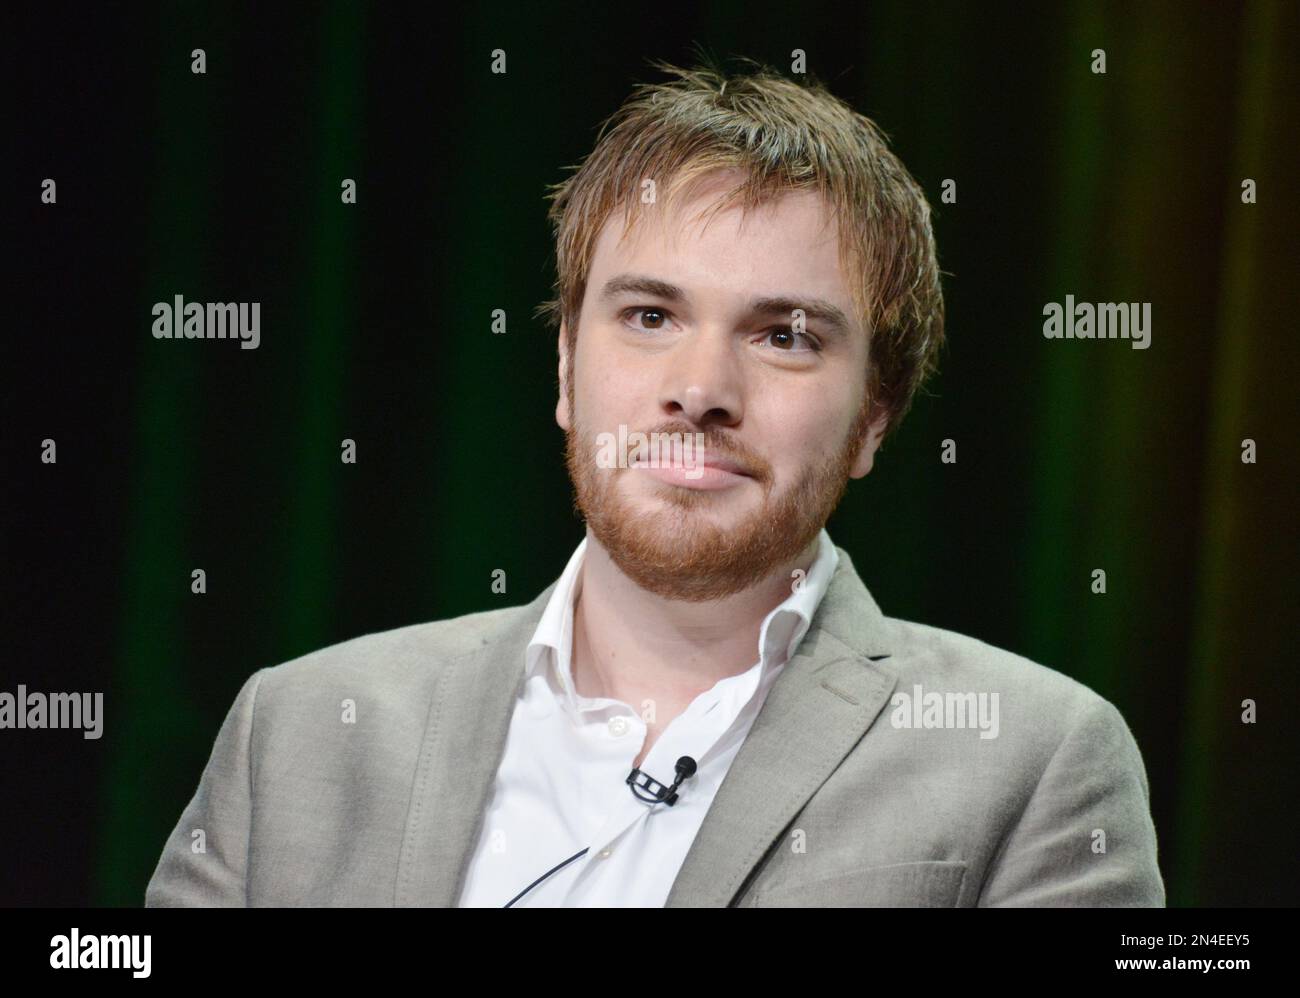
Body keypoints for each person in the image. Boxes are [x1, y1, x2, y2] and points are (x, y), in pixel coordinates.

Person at [145, 60, 1164, 907]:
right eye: (648, 316)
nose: (699, 389)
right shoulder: (298, 726)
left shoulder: (1033, 762)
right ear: (562, 370)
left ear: (873, 420)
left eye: (784, 336)